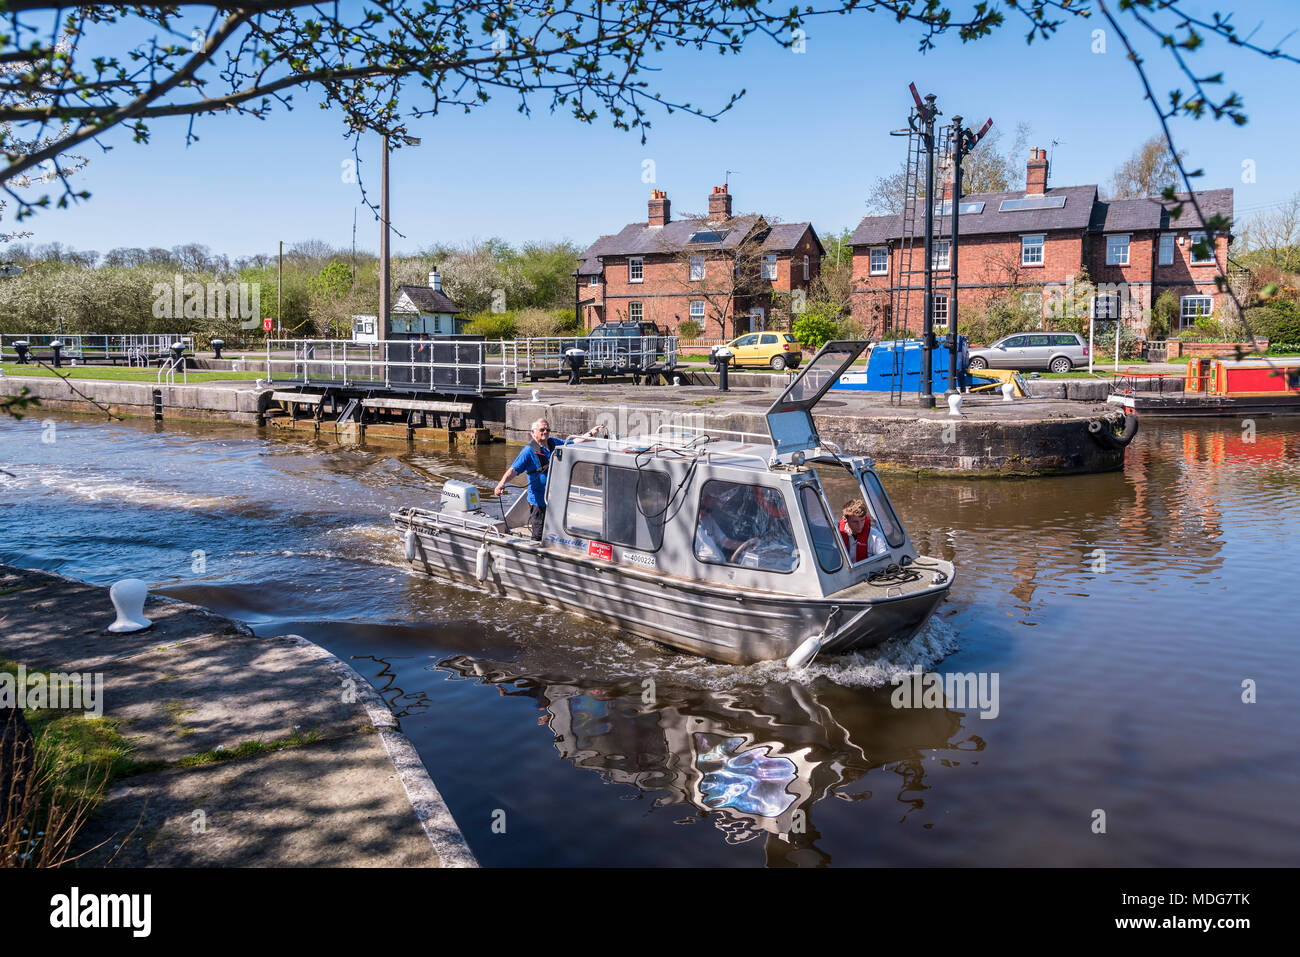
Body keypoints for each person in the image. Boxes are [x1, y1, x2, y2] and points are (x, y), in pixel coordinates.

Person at [494, 418, 600, 541]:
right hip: (539, 501)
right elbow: (513, 470)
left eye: (548, 429)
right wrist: (501, 484)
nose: (545, 432)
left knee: (556, 530)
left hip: (555, 500)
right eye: (542, 430)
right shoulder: (528, 451)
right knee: (538, 535)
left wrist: (592, 433)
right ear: (533, 432)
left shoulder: (553, 443)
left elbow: (575, 442)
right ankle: (536, 555)